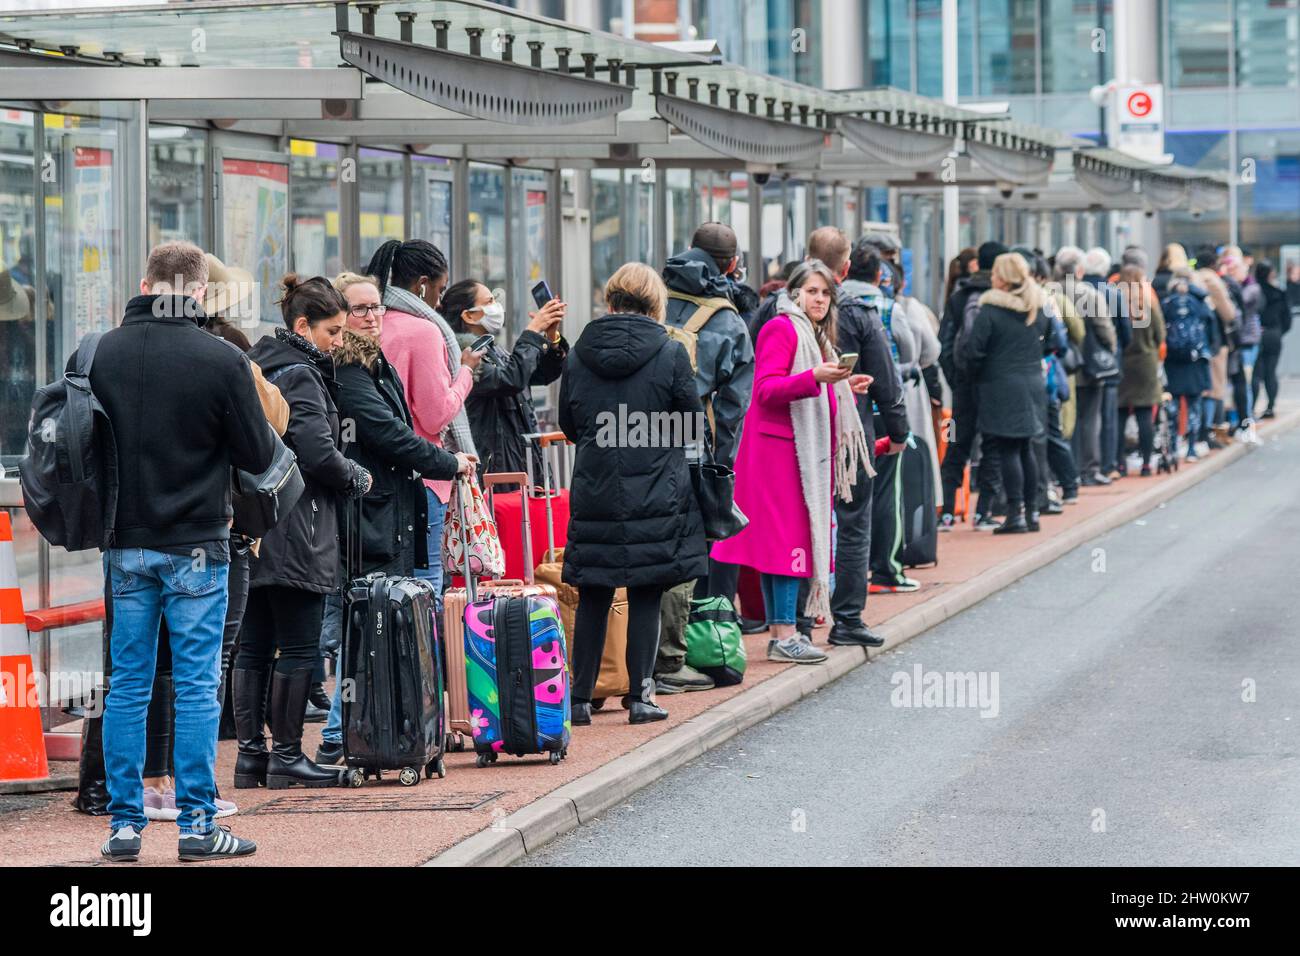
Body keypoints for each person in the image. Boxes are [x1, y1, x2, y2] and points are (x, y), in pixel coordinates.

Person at [92, 241, 275, 862]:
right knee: (197, 685)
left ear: (145, 282)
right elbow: (256, 454)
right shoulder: (219, 358)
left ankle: (123, 824)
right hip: (198, 542)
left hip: (125, 543)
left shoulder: (98, 354)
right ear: (198, 293)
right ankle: (198, 826)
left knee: (128, 684)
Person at [314, 272, 477, 765]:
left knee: (373, 618)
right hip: (365, 514)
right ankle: (340, 732)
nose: (371, 316)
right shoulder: (348, 370)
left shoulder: (369, 361)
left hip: (382, 509)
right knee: (358, 621)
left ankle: (374, 727)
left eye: (376, 308)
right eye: (359, 309)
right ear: (340, 316)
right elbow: (386, 432)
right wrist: (447, 462)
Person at [559, 263, 709, 725]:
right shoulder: (670, 352)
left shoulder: (579, 352)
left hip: (596, 487)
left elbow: (569, 422)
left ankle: (580, 699)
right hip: (655, 492)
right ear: (655, 303)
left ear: (611, 301)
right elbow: (692, 427)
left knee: (595, 592)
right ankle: (641, 696)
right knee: (647, 590)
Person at [239, 276, 372, 792]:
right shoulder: (301, 373)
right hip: (299, 528)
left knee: (252, 647)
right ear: (303, 325)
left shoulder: (256, 362)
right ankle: (288, 756)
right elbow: (317, 452)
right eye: (333, 330)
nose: (340, 340)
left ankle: (251, 758)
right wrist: (356, 476)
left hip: (254, 529)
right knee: (297, 648)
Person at [712, 259, 875, 661]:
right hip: (778, 453)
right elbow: (765, 389)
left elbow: (797, 384)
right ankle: (785, 635)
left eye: (825, 292)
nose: (819, 299)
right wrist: (817, 379)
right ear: (795, 293)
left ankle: (782, 631)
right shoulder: (782, 328)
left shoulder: (811, 333)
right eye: (812, 291)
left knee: (778, 546)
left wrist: (841, 384)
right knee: (786, 545)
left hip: (791, 452)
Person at [365, 239, 480, 606]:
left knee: (382, 586)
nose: (441, 301)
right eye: (440, 290)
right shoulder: (425, 332)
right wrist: (465, 374)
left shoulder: (371, 325)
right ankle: (424, 663)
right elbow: (434, 414)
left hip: (375, 474)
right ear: (422, 285)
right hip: (424, 476)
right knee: (426, 582)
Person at [841, 249, 935, 594]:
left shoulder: (829, 305)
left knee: (843, 499)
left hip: (839, 415)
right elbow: (912, 355)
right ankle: (886, 567)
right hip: (878, 414)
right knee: (883, 495)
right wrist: (900, 427)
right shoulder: (885, 308)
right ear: (879, 276)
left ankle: (847, 572)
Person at [961, 253, 1064, 535]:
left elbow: (974, 351)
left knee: (1008, 448)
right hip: (1033, 384)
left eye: (995, 273)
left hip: (999, 385)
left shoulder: (990, 310)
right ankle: (1032, 512)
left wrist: (975, 376)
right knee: (1026, 447)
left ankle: (1014, 514)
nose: (991, 278)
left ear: (1004, 279)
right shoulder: (1039, 307)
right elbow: (1051, 344)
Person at [441, 277, 568, 478]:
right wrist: (532, 331)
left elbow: (541, 374)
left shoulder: (493, 350)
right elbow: (512, 378)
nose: (497, 307)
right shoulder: (465, 357)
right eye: (489, 301)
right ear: (469, 316)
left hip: (524, 464)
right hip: (497, 473)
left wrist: (552, 338)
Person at [939, 241, 1006, 529]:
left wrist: (957, 380)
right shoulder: (1004, 298)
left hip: (963, 388)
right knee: (992, 445)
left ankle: (947, 511)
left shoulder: (959, 297)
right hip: (993, 386)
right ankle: (984, 512)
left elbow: (944, 345)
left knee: (955, 444)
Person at [1056, 245, 1117, 487]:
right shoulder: (1088, 294)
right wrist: (1109, 351)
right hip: (1088, 365)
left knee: (1063, 418)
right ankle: (1089, 469)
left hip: (1058, 366)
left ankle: (1065, 470)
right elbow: (1105, 329)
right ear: (1079, 270)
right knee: (1090, 419)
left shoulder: (1046, 291)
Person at [1115, 264, 1167, 476]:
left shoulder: (1114, 304)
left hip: (1122, 362)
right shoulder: (1147, 304)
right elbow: (1160, 334)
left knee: (1119, 414)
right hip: (1145, 362)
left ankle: (1120, 463)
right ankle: (1146, 463)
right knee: (1145, 414)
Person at [1160, 268, 1216, 461]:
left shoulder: (1167, 302)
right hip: (1196, 359)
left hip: (1172, 360)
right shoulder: (1200, 302)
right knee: (1194, 404)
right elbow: (1211, 328)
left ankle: (1174, 446)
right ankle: (1192, 447)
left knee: (1173, 404)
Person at [1193, 246, 1238, 450]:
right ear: (1213, 264)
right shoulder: (1212, 280)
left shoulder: (1191, 278)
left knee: (1201, 387)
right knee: (1215, 387)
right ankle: (1211, 431)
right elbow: (1228, 312)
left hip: (1194, 341)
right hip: (1214, 339)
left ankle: (1198, 432)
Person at [1252, 260, 1291, 419]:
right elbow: (1287, 319)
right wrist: (1278, 331)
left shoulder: (1254, 291)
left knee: (1256, 373)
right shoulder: (1279, 293)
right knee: (1270, 372)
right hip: (1274, 334)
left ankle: (1251, 407)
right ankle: (1270, 406)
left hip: (1257, 334)